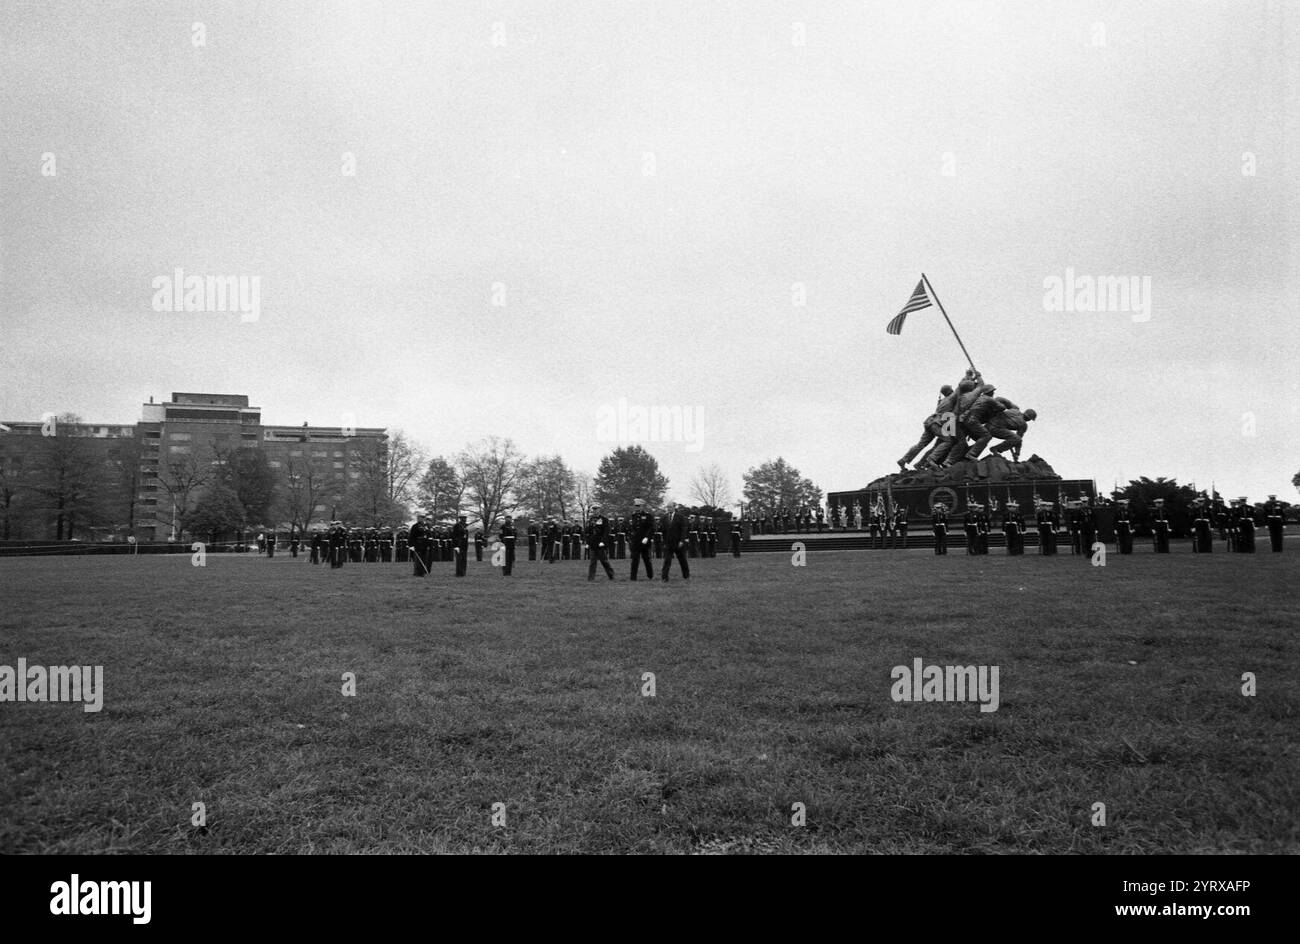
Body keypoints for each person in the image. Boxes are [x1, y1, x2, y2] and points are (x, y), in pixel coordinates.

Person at [899, 384, 958, 470]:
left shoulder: (942, 401)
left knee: (921, 444)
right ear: (949, 391)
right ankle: (931, 459)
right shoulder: (950, 398)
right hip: (936, 424)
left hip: (929, 422)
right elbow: (961, 388)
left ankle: (904, 460)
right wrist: (970, 376)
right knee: (948, 441)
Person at [660, 502, 691, 582]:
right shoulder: (664, 517)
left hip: (678, 542)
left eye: (670, 507)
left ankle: (686, 575)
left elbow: (683, 530)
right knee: (667, 560)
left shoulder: (680, 517)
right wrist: (664, 542)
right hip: (668, 543)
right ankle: (664, 577)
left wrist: (682, 541)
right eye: (667, 507)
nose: (668, 508)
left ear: (674, 507)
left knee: (682, 560)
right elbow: (663, 531)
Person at [585, 503, 615, 581]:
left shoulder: (604, 519)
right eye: (594, 509)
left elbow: (606, 531)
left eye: (596, 509)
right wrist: (587, 542)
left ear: (599, 509)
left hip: (600, 543)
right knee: (592, 561)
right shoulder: (590, 520)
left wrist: (603, 541)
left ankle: (611, 575)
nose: (595, 511)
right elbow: (588, 532)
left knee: (604, 561)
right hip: (592, 543)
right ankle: (591, 578)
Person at [629, 499, 655, 580]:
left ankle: (650, 575)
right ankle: (633, 577)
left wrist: (647, 537)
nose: (637, 507)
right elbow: (632, 528)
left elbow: (652, 528)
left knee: (646, 559)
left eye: (638, 506)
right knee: (634, 560)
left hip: (644, 541)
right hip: (636, 541)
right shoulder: (633, 516)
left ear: (642, 506)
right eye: (635, 506)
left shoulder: (648, 516)